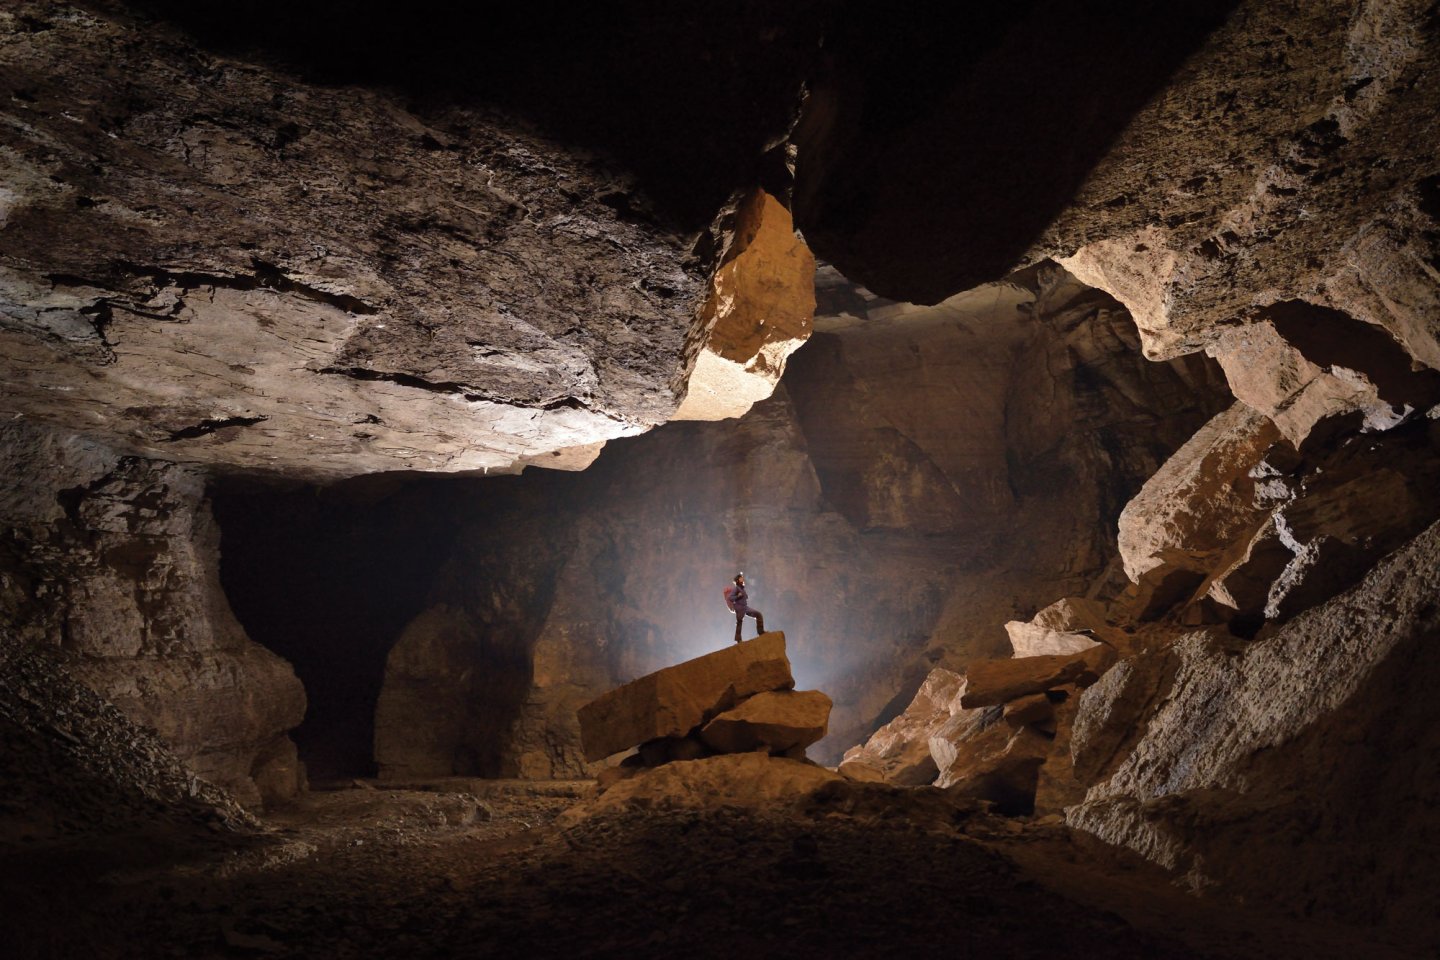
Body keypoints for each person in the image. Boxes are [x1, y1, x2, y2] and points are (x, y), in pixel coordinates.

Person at [723, 572, 765, 644]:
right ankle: (738, 639)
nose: (743, 579)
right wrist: (738, 597)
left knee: (758, 615)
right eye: (741, 579)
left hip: (744, 607)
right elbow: (730, 598)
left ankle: (760, 632)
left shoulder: (741, 588)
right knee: (740, 622)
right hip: (739, 607)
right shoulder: (736, 589)